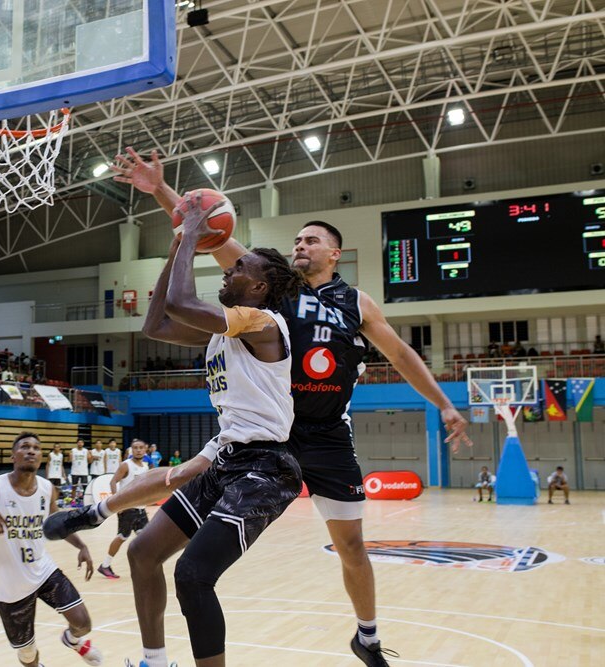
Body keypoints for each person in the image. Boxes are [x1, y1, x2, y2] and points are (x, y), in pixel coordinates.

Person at [50, 148, 472, 667]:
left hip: (327, 434)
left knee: (351, 545)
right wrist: (160, 190)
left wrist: (445, 405)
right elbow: (209, 233)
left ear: (335, 253)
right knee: (186, 473)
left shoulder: (356, 303)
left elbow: (402, 354)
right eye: (296, 238)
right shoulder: (270, 290)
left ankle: (366, 633)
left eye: (311, 239)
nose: (300, 243)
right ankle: (99, 511)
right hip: (271, 428)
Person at [50, 191, 304, 667]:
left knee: (192, 573)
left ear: (260, 288)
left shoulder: (262, 321)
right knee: (144, 552)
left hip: (266, 467)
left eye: (238, 268)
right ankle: (155, 660)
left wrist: (189, 235)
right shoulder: (226, 329)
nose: (227, 271)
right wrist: (174, 248)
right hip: (230, 455)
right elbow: (156, 323)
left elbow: (184, 301)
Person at [0, 432, 103, 667]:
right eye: (25, 447)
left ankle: (72, 640)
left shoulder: (48, 489)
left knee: (83, 623)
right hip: (9, 583)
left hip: (43, 570)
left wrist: (81, 545)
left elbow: (56, 522)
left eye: (37, 448)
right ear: (13, 456)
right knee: (28, 656)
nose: (31, 451)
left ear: (41, 457)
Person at [98, 439, 150, 580]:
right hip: (127, 509)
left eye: (140, 448)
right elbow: (113, 481)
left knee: (147, 538)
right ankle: (105, 565)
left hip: (141, 509)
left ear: (145, 450)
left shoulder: (145, 466)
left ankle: (144, 567)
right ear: (131, 450)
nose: (138, 450)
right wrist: (116, 502)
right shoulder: (125, 465)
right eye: (135, 448)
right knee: (122, 537)